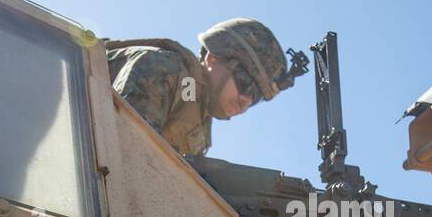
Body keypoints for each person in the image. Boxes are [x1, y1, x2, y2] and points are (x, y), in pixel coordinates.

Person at [106, 18, 307, 156]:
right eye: (246, 84)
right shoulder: (167, 70)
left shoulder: (199, 117)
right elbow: (124, 148)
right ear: (213, 57)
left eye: (256, 97)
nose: (247, 100)